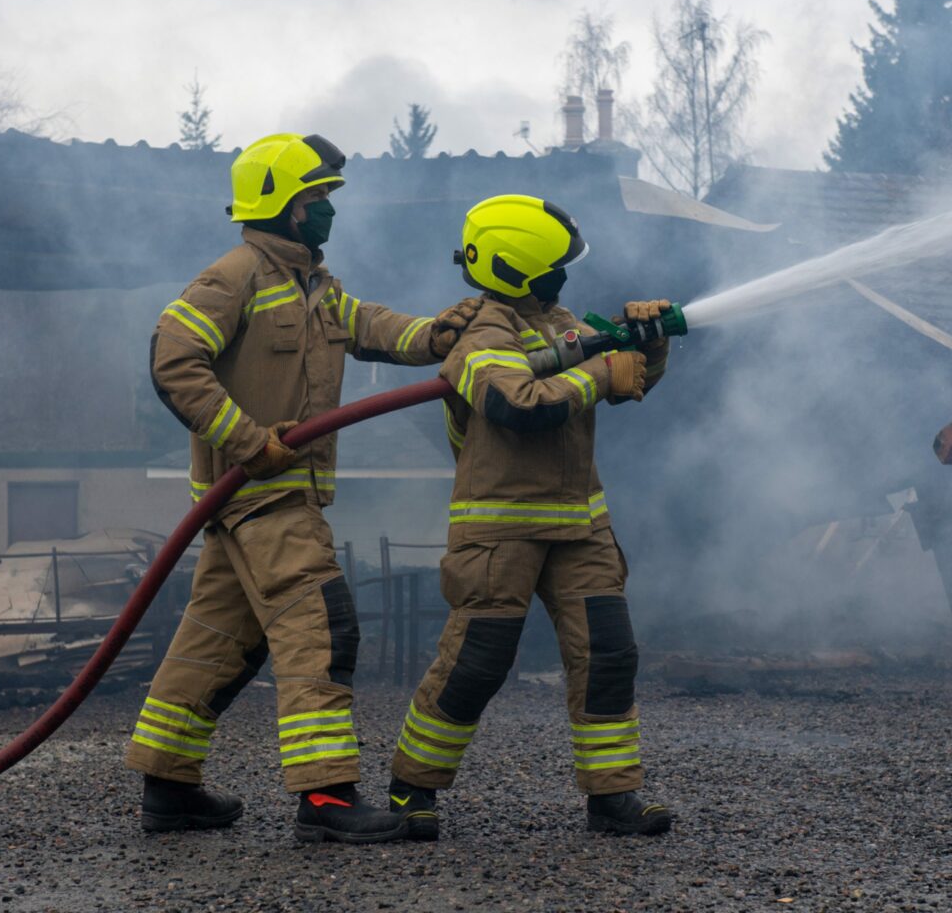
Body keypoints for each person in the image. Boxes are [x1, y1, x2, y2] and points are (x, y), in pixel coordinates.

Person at [125, 132, 481, 843]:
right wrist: (248, 440)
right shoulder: (233, 278)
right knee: (321, 626)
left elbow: (371, 326)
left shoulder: (312, 284)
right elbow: (173, 359)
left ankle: (168, 788)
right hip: (263, 493)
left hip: (260, 499)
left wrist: (437, 335)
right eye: (319, 198)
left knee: (218, 641)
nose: (329, 211)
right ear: (288, 207)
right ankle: (325, 797)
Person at [386, 193, 674, 839]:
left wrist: (648, 345)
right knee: (476, 662)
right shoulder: (479, 337)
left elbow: (626, 380)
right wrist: (599, 375)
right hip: (502, 530)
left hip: (580, 525)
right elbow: (518, 405)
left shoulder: (559, 322)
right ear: (516, 269)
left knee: (608, 654)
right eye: (553, 265)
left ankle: (613, 795)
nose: (564, 275)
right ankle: (412, 788)